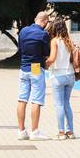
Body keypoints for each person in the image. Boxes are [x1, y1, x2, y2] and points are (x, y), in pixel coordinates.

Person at [16, 12, 50, 140]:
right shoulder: (43, 34)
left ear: (35, 19)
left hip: (23, 66)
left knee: (22, 99)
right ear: (45, 22)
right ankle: (34, 131)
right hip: (35, 67)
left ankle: (21, 131)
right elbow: (46, 53)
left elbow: (20, 48)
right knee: (36, 100)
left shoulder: (23, 31)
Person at [44, 18, 80, 139]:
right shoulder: (69, 41)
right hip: (70, 76)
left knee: (59, 105)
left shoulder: (55, 41)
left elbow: (52, 58)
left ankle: (61, 132)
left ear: (55, 28)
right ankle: (70, 131)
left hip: (58, 77)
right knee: (67, 104)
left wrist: (44, 63)